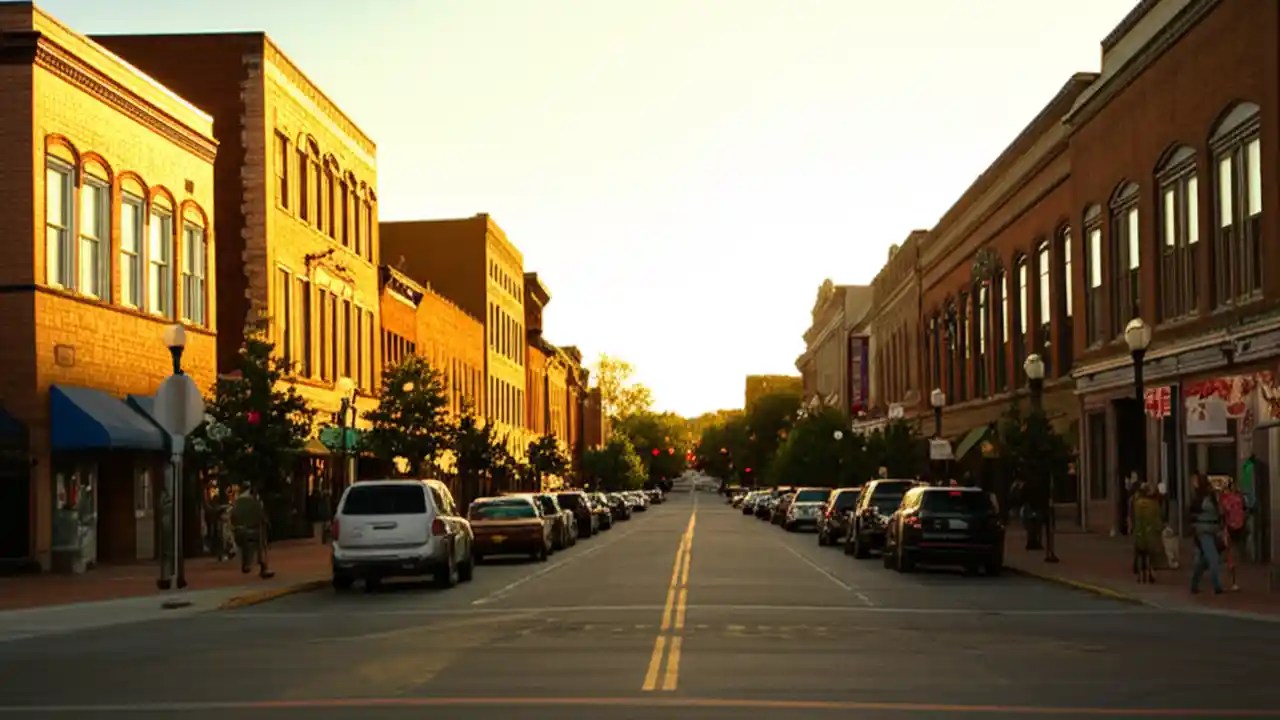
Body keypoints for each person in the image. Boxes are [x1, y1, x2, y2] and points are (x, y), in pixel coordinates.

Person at [1186, 473, 1223, 595]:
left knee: (1203, 561)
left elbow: (1220, 512)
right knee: (1213, 558)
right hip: (1204, 532)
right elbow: (1191, 514)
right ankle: (1217, 586)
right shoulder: (1199, 498)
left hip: (1213, 530)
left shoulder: (1210, 497)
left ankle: (1194, 584)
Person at [230, 482, 274, 579]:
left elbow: (233, 518)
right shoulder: (254, 502)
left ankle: (247, 564)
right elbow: (262, 517)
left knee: (247, 544)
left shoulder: (237, 502)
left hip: (238, 532)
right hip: (252, 532)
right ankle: (264, 566)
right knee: (261, 539)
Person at [1130, 481, 1162, 583]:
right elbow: (1157, 520)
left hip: (1140, 532)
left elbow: (1134, 517)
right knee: (1151, 555)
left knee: (1140, 554)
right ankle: (1150, 574)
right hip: (1151, 533)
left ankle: (1140, 576)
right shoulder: (1154, 504)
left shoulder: (1137, 504)